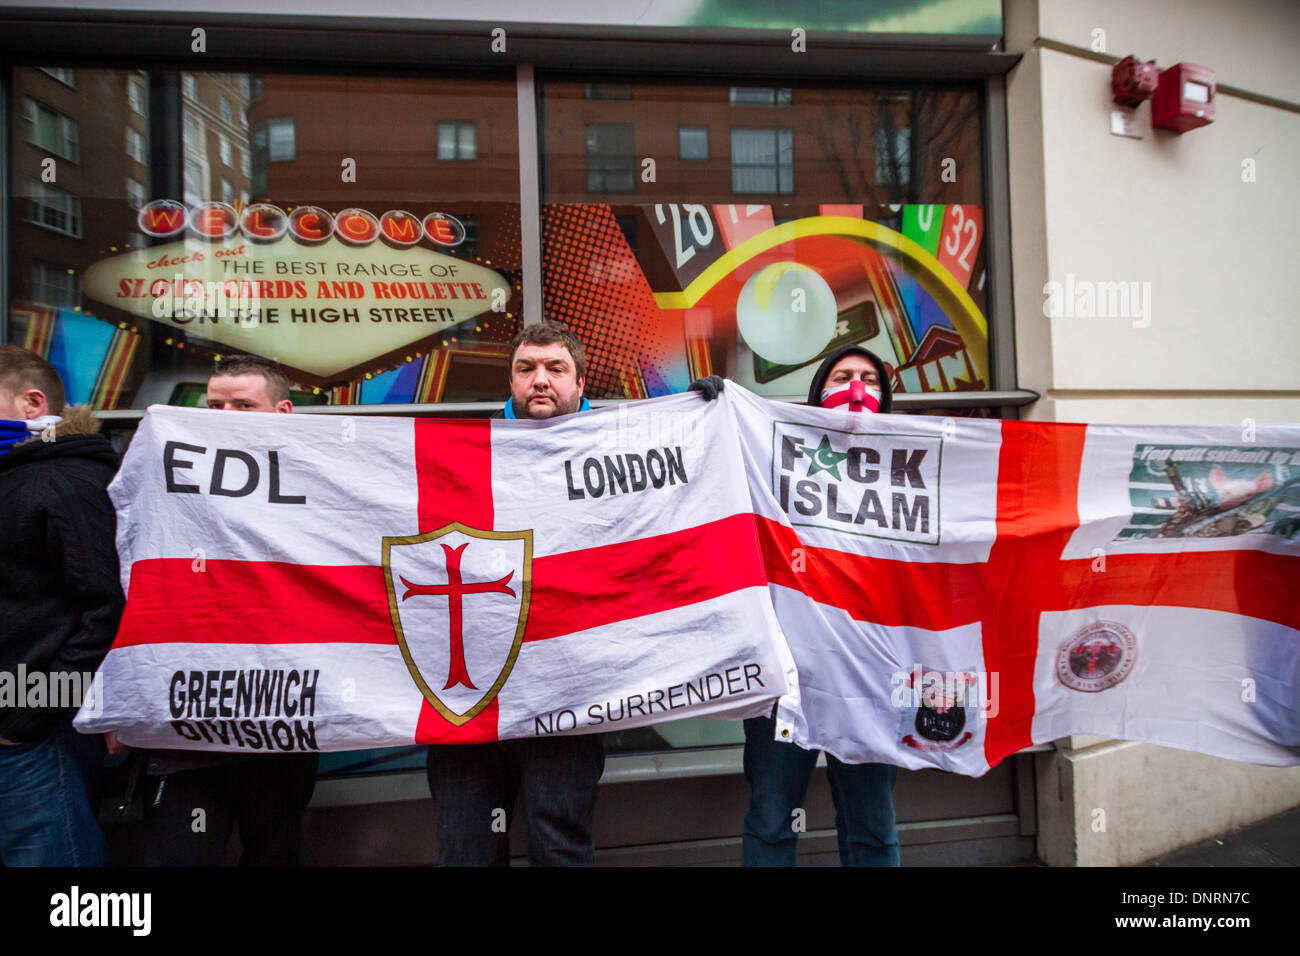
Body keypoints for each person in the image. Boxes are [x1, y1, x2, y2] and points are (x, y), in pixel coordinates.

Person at [690, 345, 901, 866]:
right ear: (817, 392)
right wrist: (705, 411)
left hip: (870, 677)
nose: (857, 388)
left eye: (869, 378)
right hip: (785, 677)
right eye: (843, 376)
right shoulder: (773, 456)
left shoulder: (908, 467)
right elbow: (714, 468)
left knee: (873, 824)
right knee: (771, 819)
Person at [425, 321, 604, 866]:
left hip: (567, 697)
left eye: (556, 368)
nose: (540, 380)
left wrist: (709, 415)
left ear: (579, 383)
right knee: (466, 852)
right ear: (511, 380)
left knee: (560, 847)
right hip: (465, 699)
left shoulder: (621, 452)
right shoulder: (460, 457)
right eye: (526, 369)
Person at [130, 354, 318, 866]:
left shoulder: (321, 486)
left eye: (242, 404)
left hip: (278, 724)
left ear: (282, 411)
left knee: (274, 854)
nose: (223, 414)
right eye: (214, 404)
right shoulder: (167, 481)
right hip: (186, 728)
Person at [0, 345, 122, 866]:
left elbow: (106, 610)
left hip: (33, 738)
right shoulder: (18, 473)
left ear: (31, 403)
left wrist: (28, 714)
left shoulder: (65, 478)